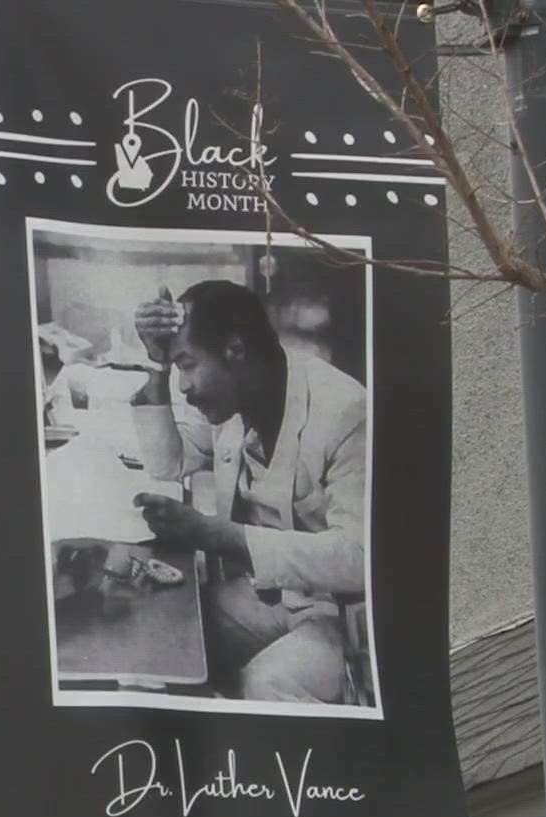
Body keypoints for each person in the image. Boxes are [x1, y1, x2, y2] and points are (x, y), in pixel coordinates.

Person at [127, 279, 368, 704]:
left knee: (264, 686)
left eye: (187, 364)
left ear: (234, 351)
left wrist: (219, 535)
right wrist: (156, 367)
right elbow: (169, 462)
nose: (183, 386)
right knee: (165, 628)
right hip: (275, 598)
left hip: (342, 617)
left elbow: (359, 558)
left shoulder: (345, 411)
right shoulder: (234, 403)